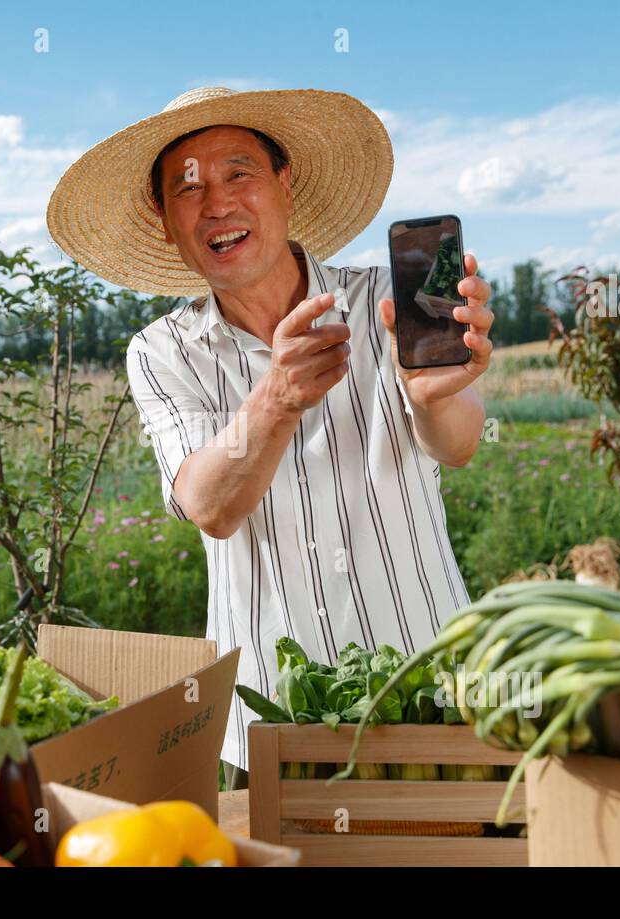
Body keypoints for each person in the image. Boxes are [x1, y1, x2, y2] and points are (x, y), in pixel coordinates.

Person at [47, 87, 495, 786]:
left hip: (436, 690)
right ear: (166, 222)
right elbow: (210, 506)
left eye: (238, 173)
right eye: (186, 189)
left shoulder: (385, 298)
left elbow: (458, 443)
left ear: (286, 185)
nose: (217, 203)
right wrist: (277, 398)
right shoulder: (163, 353)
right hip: (273, 727)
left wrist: (434, 398)